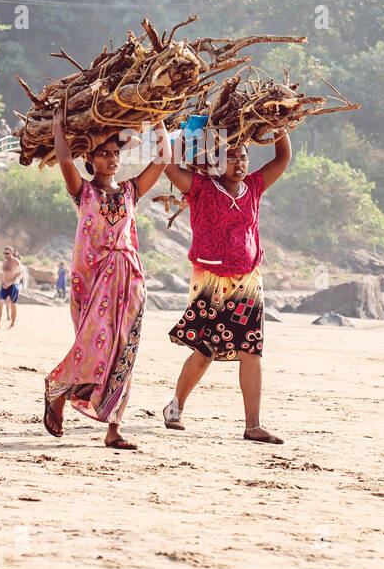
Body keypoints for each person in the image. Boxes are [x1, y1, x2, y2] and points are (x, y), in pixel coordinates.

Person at [43, 91, 169, 450]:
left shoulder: (130, 191)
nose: (112, 159)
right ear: (90, 159)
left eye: (116, 153)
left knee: (124, 352)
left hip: (130, 281)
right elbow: (64, 159)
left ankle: (113, 429)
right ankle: (58, 386)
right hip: (94, 280)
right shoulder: (82, 191)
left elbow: (163, 159)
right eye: (104, 154)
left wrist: (156, 117)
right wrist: (58, 124)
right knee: (95, 348)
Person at [161, 132, 292, 445]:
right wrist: (185, 137)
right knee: (205, 350)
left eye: (243, 156)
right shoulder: (201, 188)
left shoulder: (255, 188)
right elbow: (168, 165)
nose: (239, 163)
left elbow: (282, 159)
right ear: (215, 160)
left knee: (251, 349)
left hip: (248, 282)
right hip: (210, 282)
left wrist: (280, 128)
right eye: (230, 156)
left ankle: (253, 425)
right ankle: (175, 407)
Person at [0, 248, 23, 328]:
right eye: (4, 253)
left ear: (11, 253)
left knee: (13, 304)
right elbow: (4, 274)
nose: (5, 255)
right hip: (4, 285)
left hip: (13, 285)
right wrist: (2, 283)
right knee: (0, 303)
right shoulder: (4, 262)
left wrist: (11, 282)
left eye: (7, 253)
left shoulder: (16, 261)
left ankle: (12, 324)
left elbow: (20, 273)